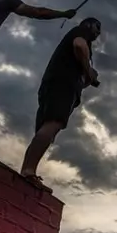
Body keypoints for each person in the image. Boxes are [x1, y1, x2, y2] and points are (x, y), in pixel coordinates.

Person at [20, 17, 102, 191]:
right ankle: (28, 171)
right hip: (62, 84)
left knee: (48, 129)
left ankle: (28, 170)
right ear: (89, 25)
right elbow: (79, 45)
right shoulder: (82, 32)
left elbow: (83, 76)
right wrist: (88, 70)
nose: (98, 33)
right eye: (97, 28)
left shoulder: (83, 44)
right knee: (53, 123)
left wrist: (89, 76)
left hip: (57, 85)